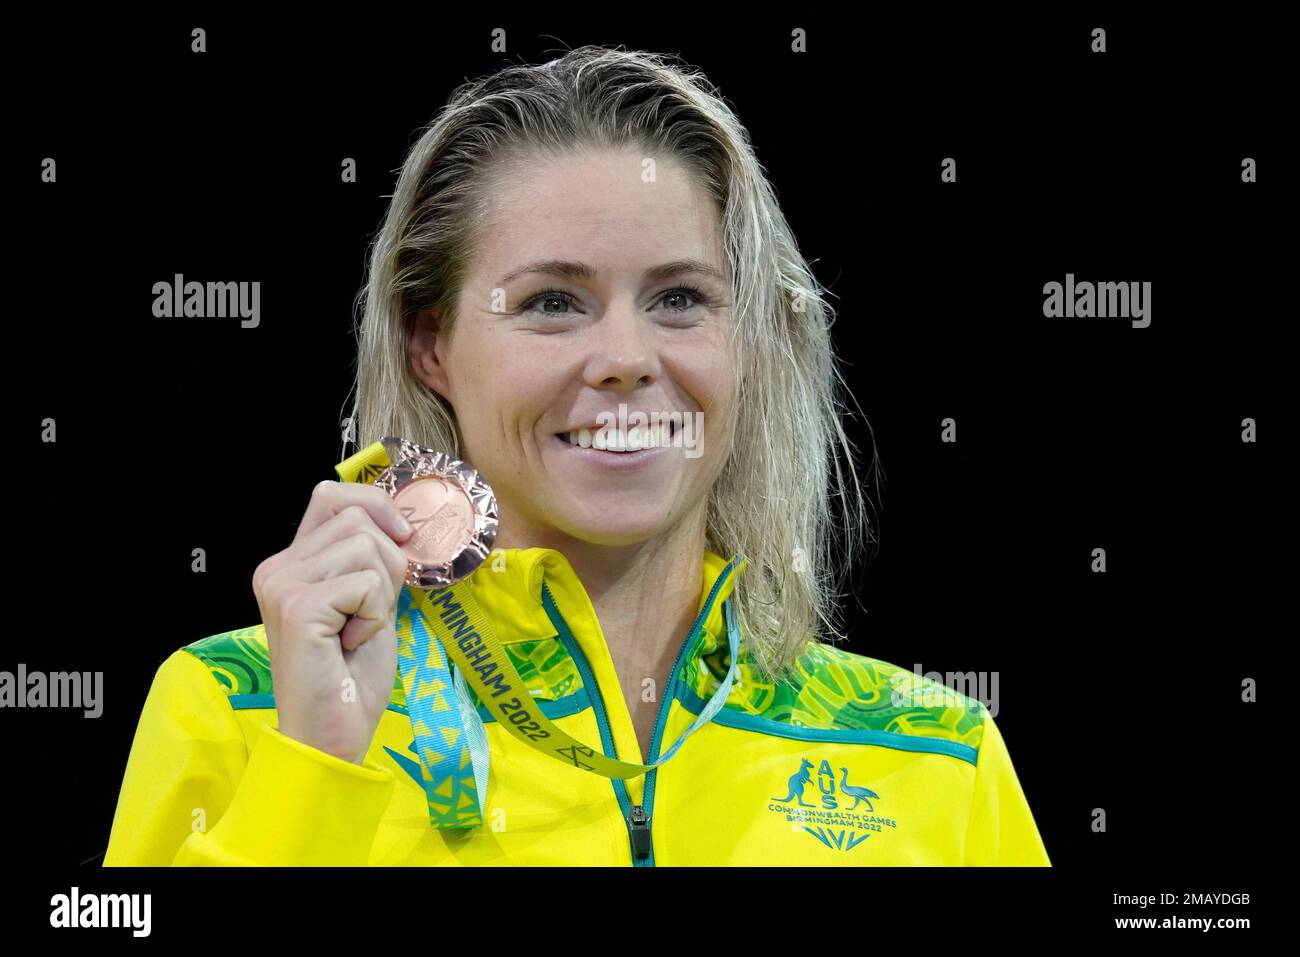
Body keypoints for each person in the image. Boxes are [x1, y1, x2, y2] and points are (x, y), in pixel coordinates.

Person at [104, 45, 1050, 866]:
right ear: (430, 344)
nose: (627, 360)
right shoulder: (240, 704)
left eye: (680, 298)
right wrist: (311, 774)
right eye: (554, 302)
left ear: (749, 340)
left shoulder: (936, 755)